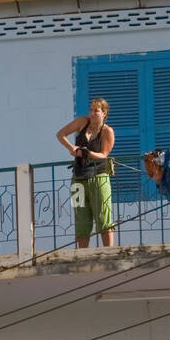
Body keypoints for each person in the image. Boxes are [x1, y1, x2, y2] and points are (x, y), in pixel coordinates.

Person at [56, 98, 116, 247]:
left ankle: (109, 253)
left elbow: (104, 155)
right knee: (81, 220)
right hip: (78, 178)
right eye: (91, 110)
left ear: (104, 113)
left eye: (96, 110)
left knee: (103, 217)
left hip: (99, 178)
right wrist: (71, 149)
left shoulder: (107, 131)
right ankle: (83, 254)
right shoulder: (82, 122)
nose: (92, 113)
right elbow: (61, 134)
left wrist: (87, 153)